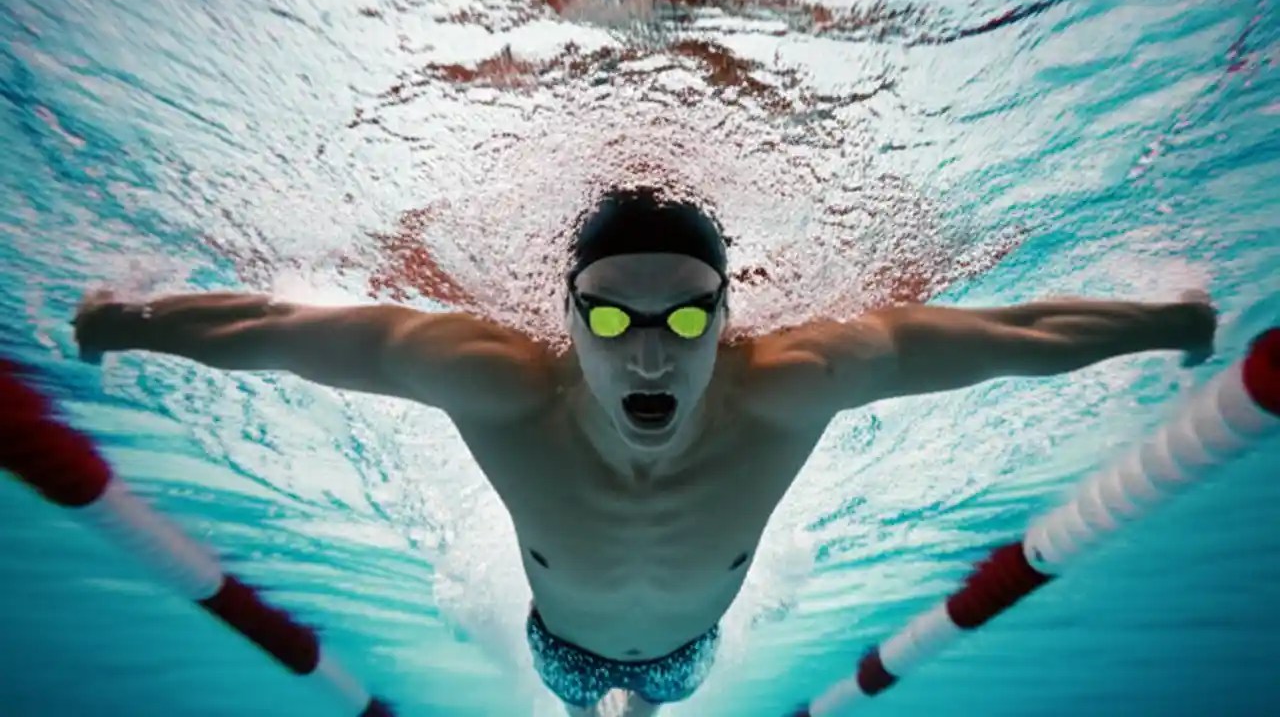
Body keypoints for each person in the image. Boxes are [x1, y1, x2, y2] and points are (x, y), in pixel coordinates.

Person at [72, 187, 1217, 716]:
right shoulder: (493, 382)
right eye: (614, 320)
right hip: (561, 651)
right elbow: (277, 338)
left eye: (683, 318)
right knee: (583, 708)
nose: (651, 355)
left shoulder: (798, 385)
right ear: (566, 316)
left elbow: (1014, 339)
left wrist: (1166, 325)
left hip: (687, 657)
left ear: (726, 315)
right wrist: (133, 323)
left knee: (651, 703)